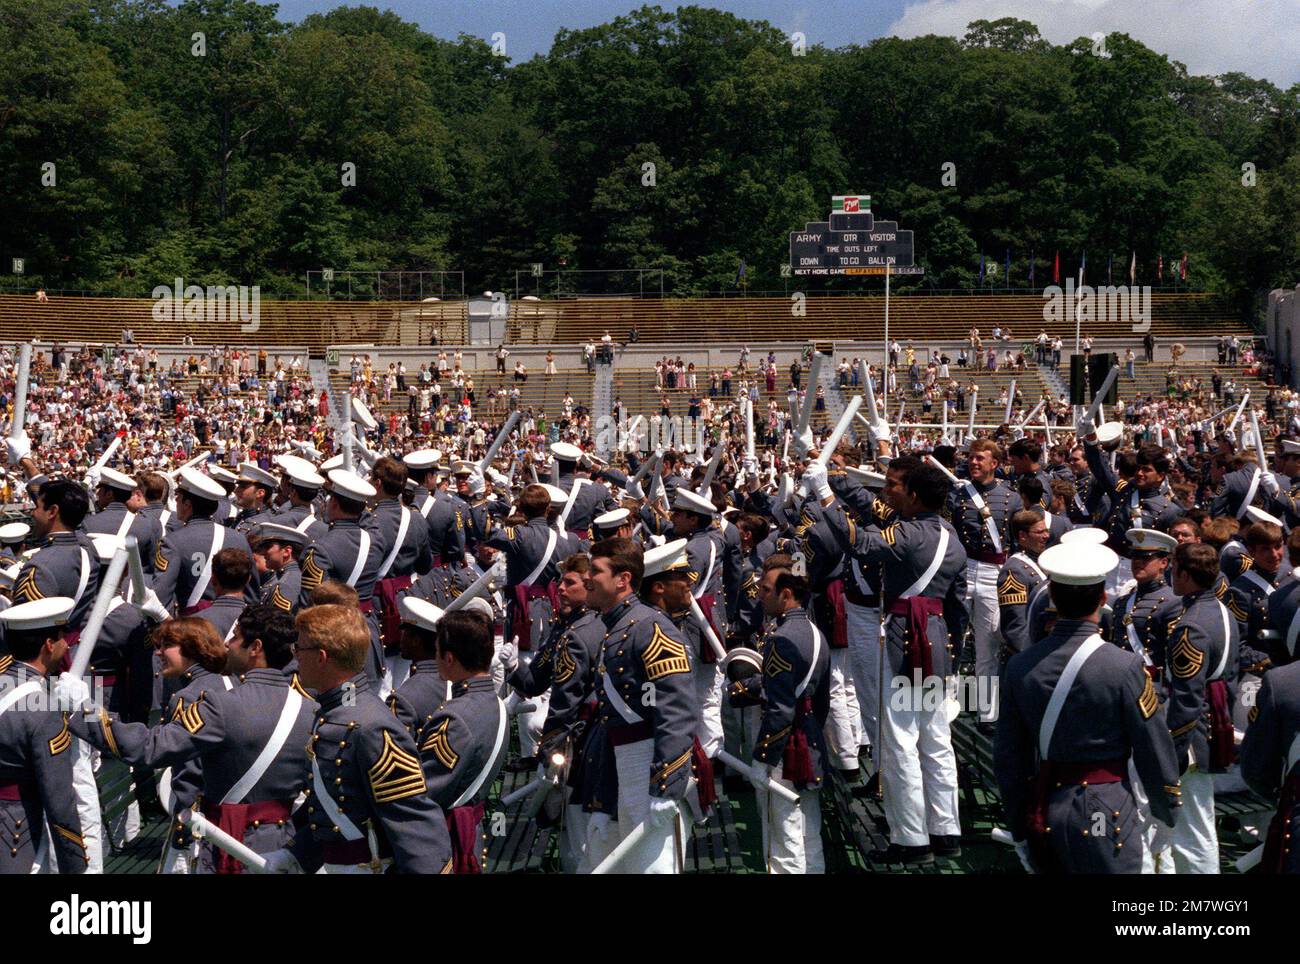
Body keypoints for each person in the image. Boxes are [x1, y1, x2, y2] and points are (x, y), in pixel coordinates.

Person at [68, 605, 315, 874]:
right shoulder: (311, 711)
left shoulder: (220, 706)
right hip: (281, 848)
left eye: (235, 638)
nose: (227, 644)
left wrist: (84, 710)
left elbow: (147, 748)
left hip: (223, 843)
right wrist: (295, 850)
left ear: (255, 647)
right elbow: (324, 800)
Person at [995, 541, 1182, 873]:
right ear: (1103, 598)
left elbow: (1009, 758)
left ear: (1051, 595)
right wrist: (1167, 812)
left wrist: (1019, 829)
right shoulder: (1124, 667)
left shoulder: (1021, 666)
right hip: (1105, 811)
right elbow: (1154, 748)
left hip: (1047, 807)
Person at [263, 605, 453, 874]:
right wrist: (294, 854)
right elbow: (337, 810)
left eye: (300, 650)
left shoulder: (371, 727)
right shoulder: (335, 712)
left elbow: (416, 826)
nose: (295, 659)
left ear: (321, 657)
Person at [573, 537, 701, 873]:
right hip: (623, 759)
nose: (588, 578)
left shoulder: (651, 627)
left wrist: (667, 784)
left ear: (623, 579)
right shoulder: (617, 625)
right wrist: (604, 796)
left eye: (596, 571)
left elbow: (676, 708)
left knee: (654, 866)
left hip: (651, 760)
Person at [748, 554, 830, 873]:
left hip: (786, 746)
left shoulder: (781, 639)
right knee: (809, 828)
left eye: (766, 590)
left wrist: (763, 758)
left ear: (786, 594)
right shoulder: (814, 632)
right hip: (809, 737)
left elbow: (780, 708)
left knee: (784, 831)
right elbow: (820, 699)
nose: (760, 595)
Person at [0, 597, 90, 874]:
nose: (66, 645)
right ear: (49, 645)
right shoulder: (44, 710)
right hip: (17, 828)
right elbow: (60, 801)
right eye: (62, 638)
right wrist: (74, 866)